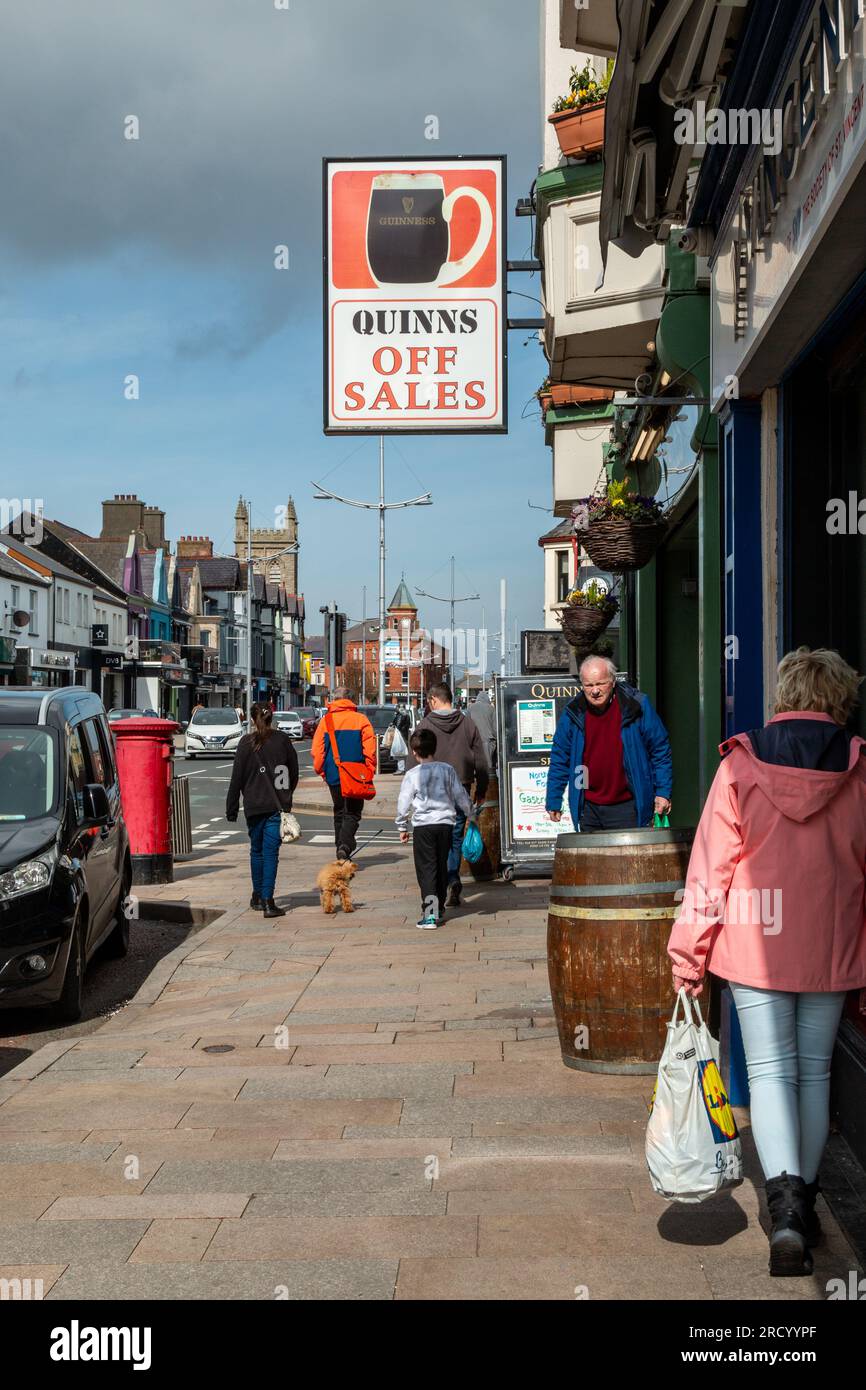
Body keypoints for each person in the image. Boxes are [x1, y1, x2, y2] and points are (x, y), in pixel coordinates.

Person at [667, 647, 866, 1277]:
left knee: (772, 1075)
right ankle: (800, 1203)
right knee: (813, 1075)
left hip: (755, 944)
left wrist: (688, 955)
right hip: (831, 943)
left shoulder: (740, 767)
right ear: (839, 698)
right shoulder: (859, 768)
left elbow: (709, 871)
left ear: (783, 695)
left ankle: (783, 1216)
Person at [545, 655, 672, 831]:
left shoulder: (636, 706)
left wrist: (663, 792)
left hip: (628, 804)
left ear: (612, 681)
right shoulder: (574, 712)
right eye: (589, 685)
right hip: (588, 805)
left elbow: (660, 750)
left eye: (600, 683)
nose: (595, 691)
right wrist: (554, 798)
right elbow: (560, 757)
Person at [407, 681, 488, 907]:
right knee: (454, 838)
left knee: (435, 842)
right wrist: (481, 789)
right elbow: (481, 760)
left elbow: (411, 762)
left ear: (433, 700)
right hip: (460, 787)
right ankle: (453, 878)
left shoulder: (425, 724)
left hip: (431, 792)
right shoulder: (468, 723)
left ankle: (441, 885)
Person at [226, 701, 298, 918]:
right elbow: (293, 773)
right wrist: (285, 796)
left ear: (252, 718)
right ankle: (268, 900)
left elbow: (236, 778)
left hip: (253, 806)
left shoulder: (245, 743)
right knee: (270, 853)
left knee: (256, 851)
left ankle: (257, 896)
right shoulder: (283, 741)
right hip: (276, 806)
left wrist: (231, 808)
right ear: (271, 717)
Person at [397, 727, 475, 929]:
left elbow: (404, 802)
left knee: (427, 869)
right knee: (441, 866)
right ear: (435, 748)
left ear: (414, 752)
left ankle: (430, 914)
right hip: (445, 824)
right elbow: (460, 796)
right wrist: (470, 814)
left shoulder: (412, 774)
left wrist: (402, 826)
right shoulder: (447, 769)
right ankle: (439, 907)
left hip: (424, 826)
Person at [311, 687, 377, 860]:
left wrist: (321, 771)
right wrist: (370, 771)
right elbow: (370, 751)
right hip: (356, 775)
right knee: (353, 812)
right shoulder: (361, 720)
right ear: (351, 700)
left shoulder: (326, 721)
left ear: (334, 700)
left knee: (339, 811)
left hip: (334, 774)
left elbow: (318, 752)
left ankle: (340, 851)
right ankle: (345, 846)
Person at [469, 690, 497, 773]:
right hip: (488, 741)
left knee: (475, 766)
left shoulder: (470, 708)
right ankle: (488, 785)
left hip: (474, 741)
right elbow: (495, 727)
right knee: (488, 768)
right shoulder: (491, 708)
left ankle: (476, 784)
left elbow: (466, 725)